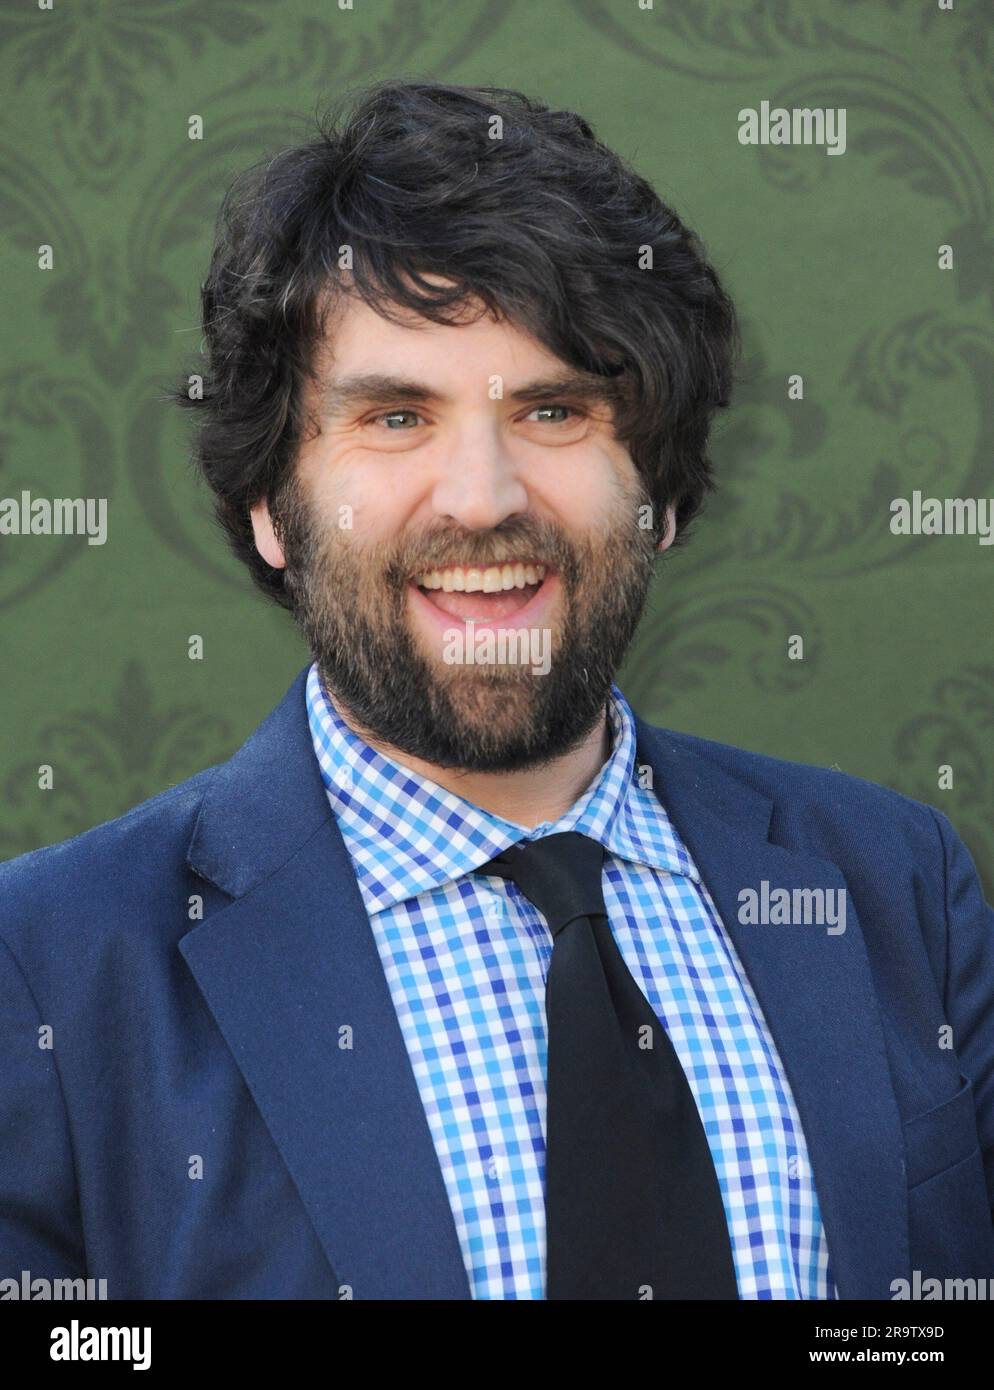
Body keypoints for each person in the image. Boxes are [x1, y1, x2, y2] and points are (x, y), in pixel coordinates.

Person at [1, 79, 992, 1302]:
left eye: (556, 409)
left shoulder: (895, 887)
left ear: (663, 494)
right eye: (396, 416)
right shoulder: (43, 967)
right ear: (270, 505)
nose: (481, 496)